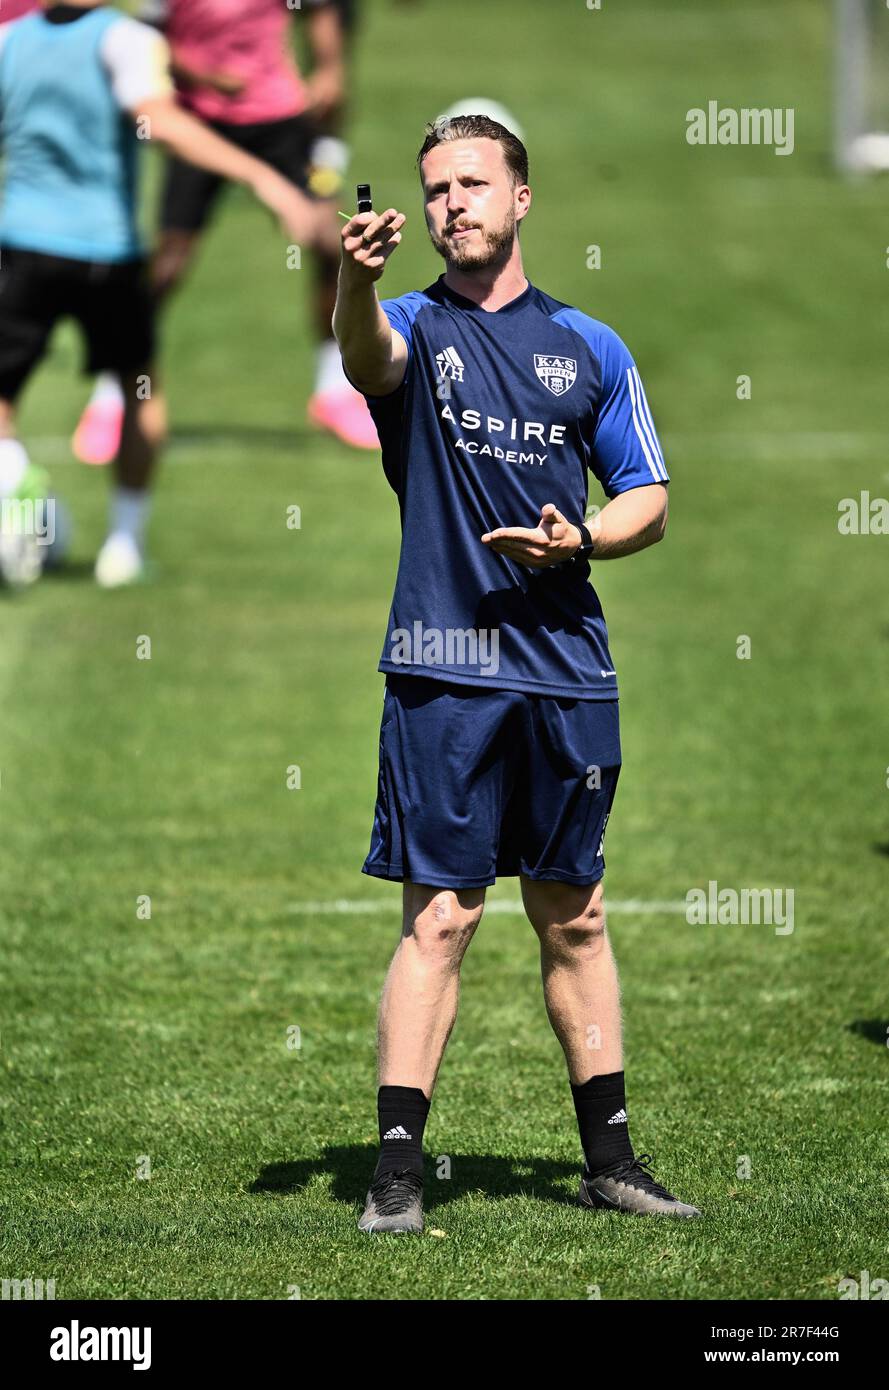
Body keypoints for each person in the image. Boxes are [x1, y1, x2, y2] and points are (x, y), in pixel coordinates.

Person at [333, 114, 700, 1232]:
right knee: (440, 918)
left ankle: (612, 1162)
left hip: (565, 676)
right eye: (435, 188)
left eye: (472, 184)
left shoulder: (591, 347)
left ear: (522, 198)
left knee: (574, 917)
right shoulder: (410, 325)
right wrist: (351, 282)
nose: (451, 203)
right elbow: (364, 359)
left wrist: (579, 538)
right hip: (443, 672)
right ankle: (396, 1172)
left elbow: (649, 496)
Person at [0, 0, 334, 587]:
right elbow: (163, 120)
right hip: (107, 251)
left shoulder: (9, 41)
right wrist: (263, 178)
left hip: (21, 245)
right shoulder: (124, 40)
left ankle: (13, 482)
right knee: (140, 388)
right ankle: (122, 548)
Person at [72, 0, 378, 466]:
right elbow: (144, 40)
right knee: (167, 267)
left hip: (279, 118)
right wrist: (202, 75)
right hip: (199, 123)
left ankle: (335, 389)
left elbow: (319, 13)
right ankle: (113, 395)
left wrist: (330, 69)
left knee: (330, 245)